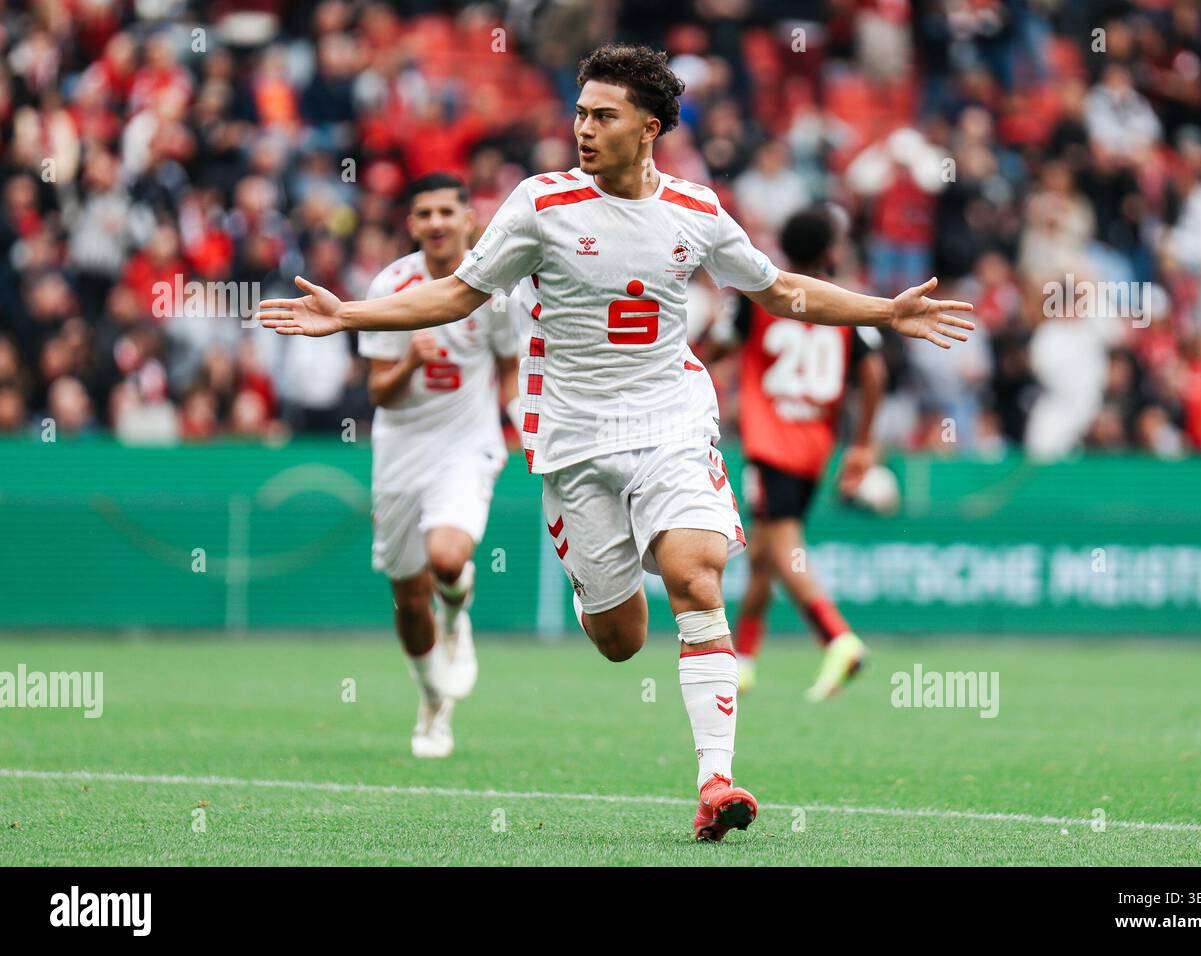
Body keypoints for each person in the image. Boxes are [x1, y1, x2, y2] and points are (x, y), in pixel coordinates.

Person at [257, 44, 975, 842]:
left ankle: (716, 782)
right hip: (572, 443)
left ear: (651, 128)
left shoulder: (697, 212)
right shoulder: (540, 205)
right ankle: (599, 585)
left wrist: (885, 311)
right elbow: (459, 293)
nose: (584, 129)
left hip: (672, 420)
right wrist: (349, 314)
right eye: (580, 113)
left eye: (603, 116)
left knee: (695, 577)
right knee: (620, 640)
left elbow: (783, 290)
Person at [359, 172, 521, 758]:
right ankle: (433, 701)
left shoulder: (493, 290)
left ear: (468, 219)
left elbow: (509, 365)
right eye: (423, 214)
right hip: (401, 450)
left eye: (445, 212)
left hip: (466, 443)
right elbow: (378, 392)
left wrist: (514, 422)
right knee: (406, 596)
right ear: (411, 224)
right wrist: (407, 361)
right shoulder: (390, 286)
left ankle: (458, 607)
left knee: (446, 556)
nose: (435, 223)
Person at [701, 205, 887, 700]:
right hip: (815, 443)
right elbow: (873, 372)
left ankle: (837, 637)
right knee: (763, 551)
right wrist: (862, 443)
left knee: (782, 545)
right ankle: (743, 660)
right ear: (831, 250)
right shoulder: (844, 302)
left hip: (772, 440)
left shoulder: (760, 294)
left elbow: (712, 349)